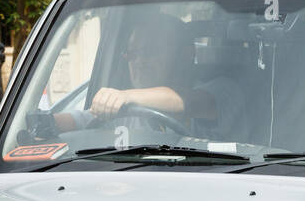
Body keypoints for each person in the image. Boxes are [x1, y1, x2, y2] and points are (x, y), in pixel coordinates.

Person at [48, 12, 244, 139]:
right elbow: (81, 119)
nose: (139, 61)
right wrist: (44, 124)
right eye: (132, 53)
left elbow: (191, 102)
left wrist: (126, 96)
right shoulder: (128, 112)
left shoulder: (223, 91)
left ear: (186, 54)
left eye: (150, 51)